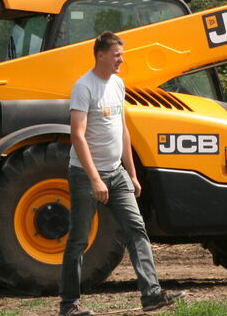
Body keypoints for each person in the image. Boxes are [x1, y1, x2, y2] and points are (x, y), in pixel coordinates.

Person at [59, 31, 185, 316]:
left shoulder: (118, 84)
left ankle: (151, 295)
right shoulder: (84, 87)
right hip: (85, 176)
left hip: (117, 175)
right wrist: (94, 178)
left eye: (121, 55)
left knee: (136, 230)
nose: (121, 60)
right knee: (79, 239)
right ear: (100, 55)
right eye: (116, 55)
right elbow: (77, 137)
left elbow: (123, 130)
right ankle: (68, 306)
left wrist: (132, 172)